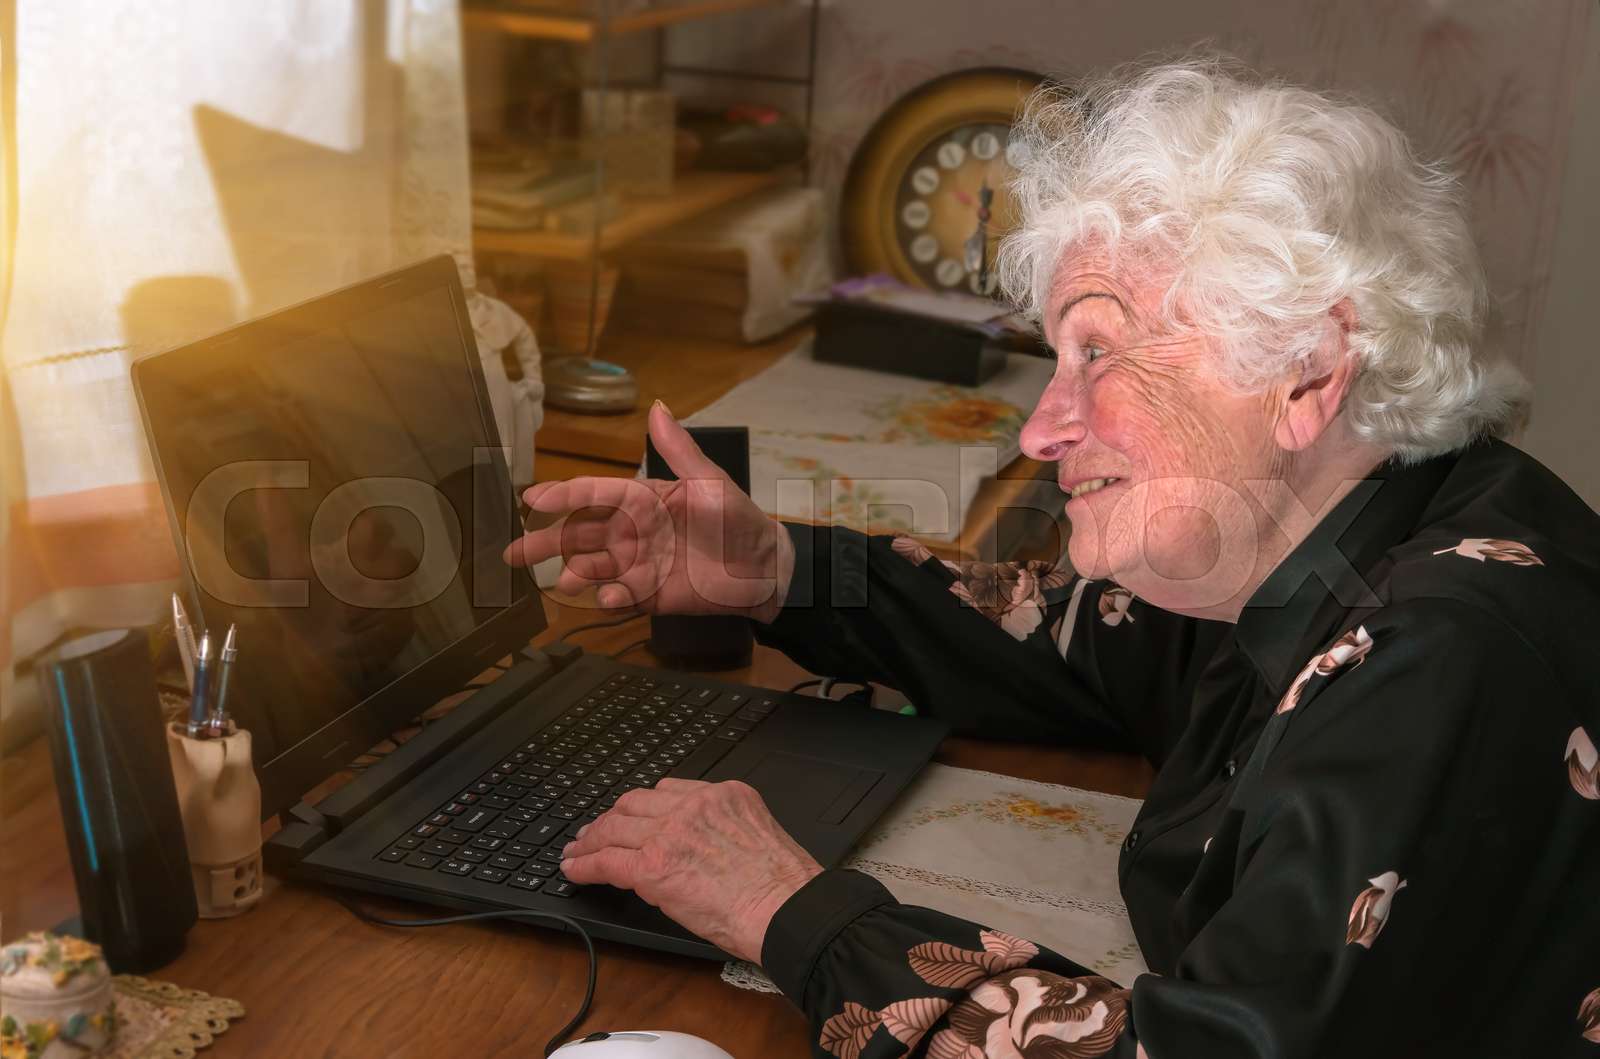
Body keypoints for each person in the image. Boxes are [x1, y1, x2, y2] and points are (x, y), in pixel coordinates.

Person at [504, 58, 1600, 1058]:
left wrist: (787, 909)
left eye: (1098, 352)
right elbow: (1076, 640)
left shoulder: (1437, 662)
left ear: (1306, 374)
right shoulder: (1342, 528)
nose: (1042, 427)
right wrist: (777, 572)